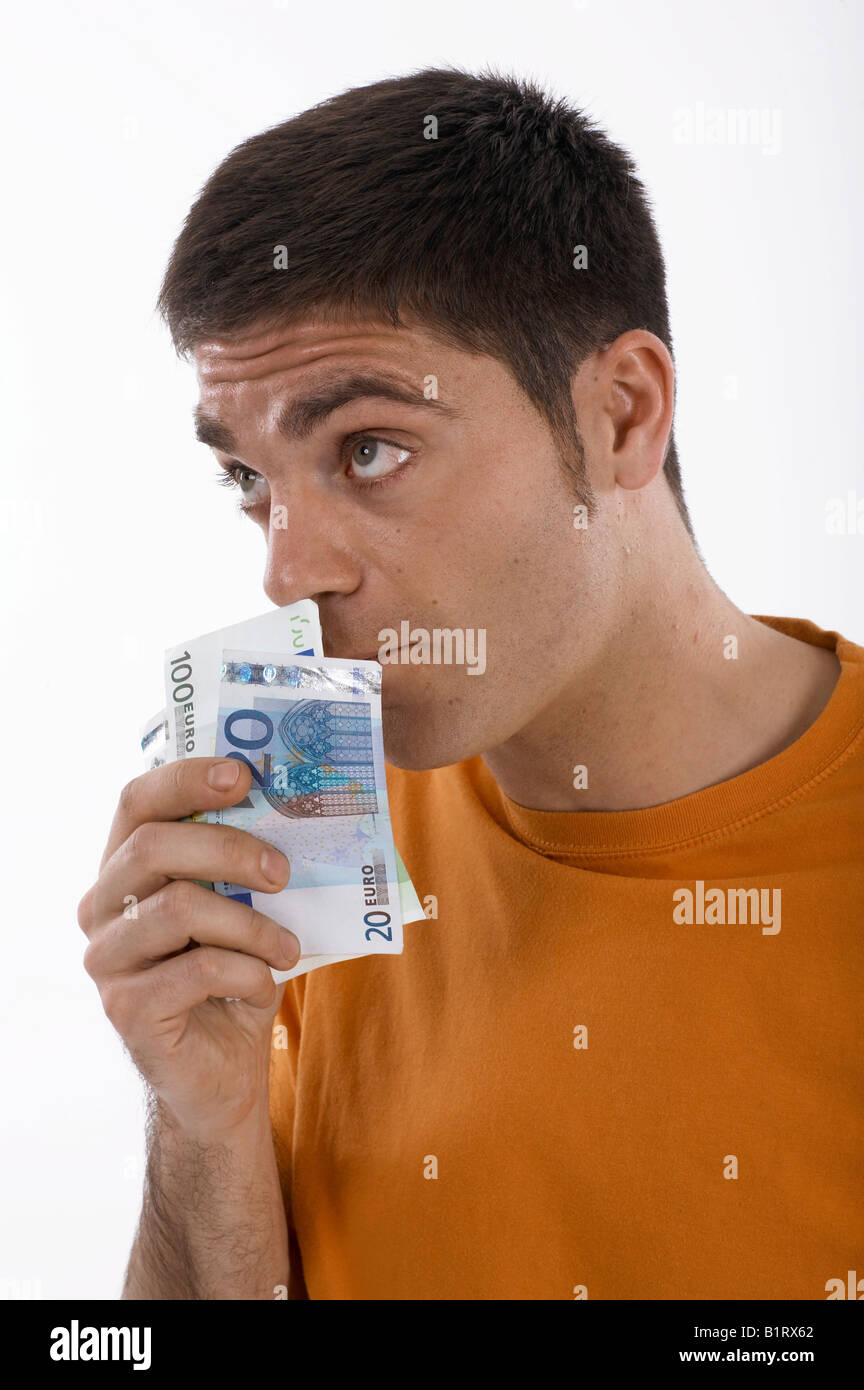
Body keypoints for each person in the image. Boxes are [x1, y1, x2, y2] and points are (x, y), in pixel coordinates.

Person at [78, 67, 863, 1300]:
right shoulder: (300, 861)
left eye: (371, 449)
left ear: (622, 415)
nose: (292, 570)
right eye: (250, 479)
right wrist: (203, 1125)